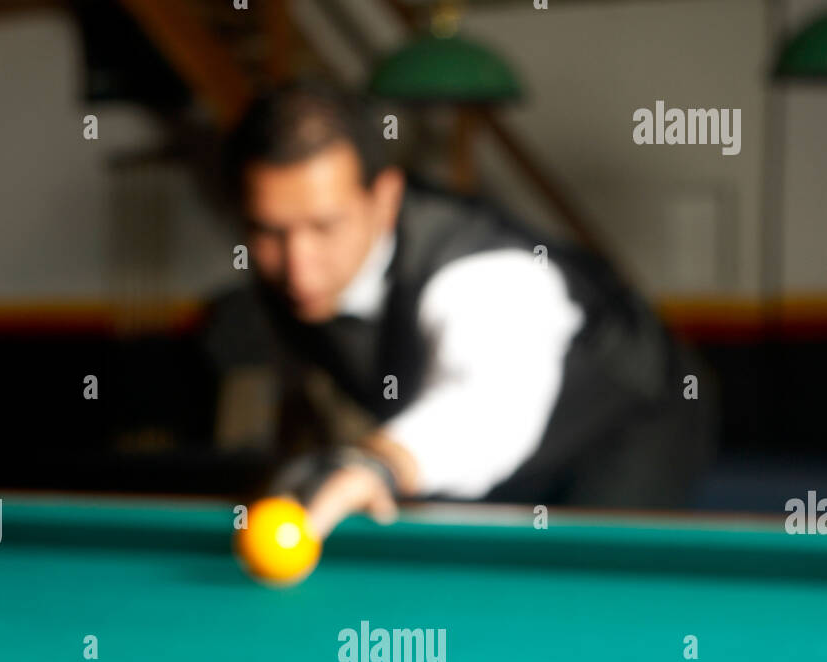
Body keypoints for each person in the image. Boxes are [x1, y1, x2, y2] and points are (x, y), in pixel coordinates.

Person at [222, 79, 715, 537]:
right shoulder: (289, 274)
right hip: (483, 460)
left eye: (326, 227)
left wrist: (377, 463)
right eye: (269, 232)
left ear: (386, 197)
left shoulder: (483, 273)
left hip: (631, 423)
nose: (298, 267)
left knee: (588, 598)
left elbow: (486, 405)